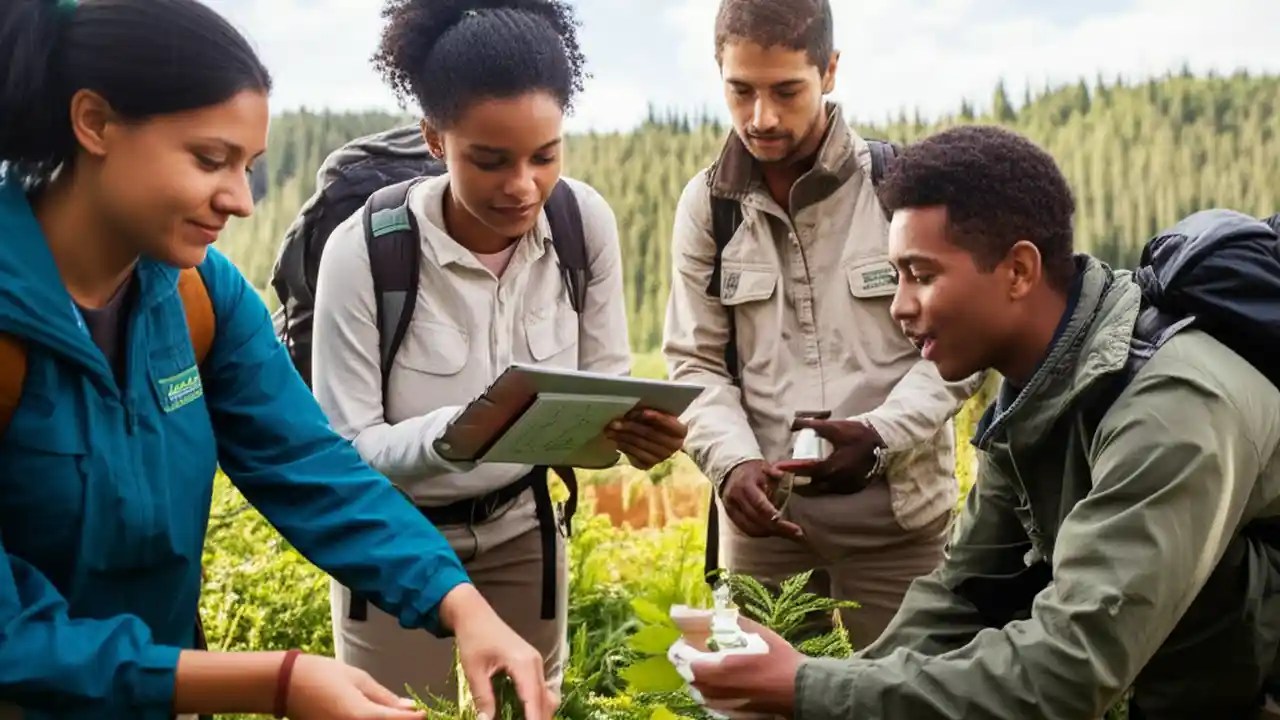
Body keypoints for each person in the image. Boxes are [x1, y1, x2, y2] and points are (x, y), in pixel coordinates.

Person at [0, 1, 557, 719]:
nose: (240, 201)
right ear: (95, 123)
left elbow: (310, 466)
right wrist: (276, 680)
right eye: (209, 160)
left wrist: (459, 604)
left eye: (249, 167)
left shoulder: (201, 298)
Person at [683, 125, 1280, 718]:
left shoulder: (1169, 411)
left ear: (1019, 271)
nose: (899, 307)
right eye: (896, 277)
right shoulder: (1036, 392)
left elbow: (1065, 674)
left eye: (922, 275)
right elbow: (963, 598)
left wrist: (807, 689)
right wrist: (824, 688)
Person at [309, 0, 689, 705]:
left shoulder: (583, 224)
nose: (524, 187)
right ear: (434, 139)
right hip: (391, 532)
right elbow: (345, 451)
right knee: (394, 709)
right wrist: (457, 438)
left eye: (545, 156)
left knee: (530, 705)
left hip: (524, 526)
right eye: (490, 161)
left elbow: (602, 389)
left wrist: (631, 436)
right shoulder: (364, 251)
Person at [661, 0, 979, 649]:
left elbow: (962, 349)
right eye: (740, 91)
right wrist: (732, 464)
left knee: (911, 700)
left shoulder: (902, 188)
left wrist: (880, 436)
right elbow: (693, 363)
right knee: (759, 704)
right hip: (762, 529)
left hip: (900, 524)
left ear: (829, 71)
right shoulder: (707, 208)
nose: (762, 117)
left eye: (787, 91)